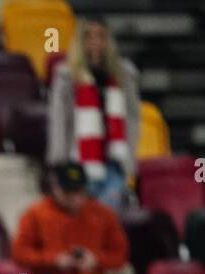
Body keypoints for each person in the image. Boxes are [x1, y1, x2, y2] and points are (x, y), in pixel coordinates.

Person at [47, 17, 141, 209]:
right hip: (78, 163)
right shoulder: (66, 75)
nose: (95, 42)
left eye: (101, 36)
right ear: (80, 41)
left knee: (106, 223)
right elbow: (59, 120)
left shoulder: (124, 75)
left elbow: (132, 118)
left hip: (113, 165)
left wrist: (129, 160)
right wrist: (59, 162)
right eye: (89, 36)